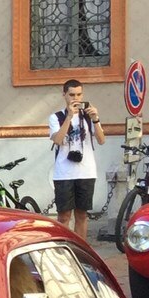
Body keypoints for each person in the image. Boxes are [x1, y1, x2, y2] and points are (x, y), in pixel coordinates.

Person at [47, 78, 105, 238]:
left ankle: (81, 251)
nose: (76, 98)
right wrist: (69, 117)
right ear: (64, 94)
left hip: (86, 172)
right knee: (64, 216)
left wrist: (96, 119)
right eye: (72, 95)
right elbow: (58, 140)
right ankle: (64, 248)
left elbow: (101, 140)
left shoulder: (88, 116)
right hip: (64, 173)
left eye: (79, 95)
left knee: (82, 215)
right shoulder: (56, 117)